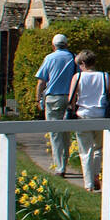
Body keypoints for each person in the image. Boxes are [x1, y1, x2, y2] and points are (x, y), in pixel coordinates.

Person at [67, 50, 110, 192]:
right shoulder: (104, 76)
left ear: (83, 63)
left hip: (83, 115)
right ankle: (96, 175)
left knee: (85, 151)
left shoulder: (78, 77)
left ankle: (88, 183)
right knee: (98, 149)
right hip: (100, 115)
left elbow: (71, 99)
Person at [35, 33, 77, 176]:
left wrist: (38, 98)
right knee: (66, 133)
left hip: (53, 98)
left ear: (53, 46)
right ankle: (64, 162)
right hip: (69, 98)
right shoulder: (73, 58)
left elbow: (41, 81)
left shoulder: (49, 58)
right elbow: (78, 79)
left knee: (55, 133)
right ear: (66, 45)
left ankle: (60, 167)